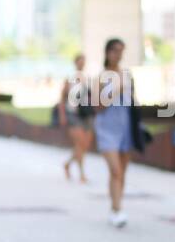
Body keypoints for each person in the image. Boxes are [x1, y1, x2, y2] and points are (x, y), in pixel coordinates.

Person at [93, 38, 134, 227]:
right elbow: (97, 106)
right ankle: (117, 210)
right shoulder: (101, 77)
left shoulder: (127, 75)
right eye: (116, 50)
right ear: (108, 52)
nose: (119, 55)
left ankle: (115, 206)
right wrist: (115, 90)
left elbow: (133, 103)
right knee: (115, 170)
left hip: (124, 129)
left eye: (121, 50)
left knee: (120, 173)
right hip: (106, 130)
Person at [56, 53, 92, 183]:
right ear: (75, 62)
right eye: (80, 61)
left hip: (86, 114)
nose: (82, 64)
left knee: (85, 145)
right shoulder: (70, 79)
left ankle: (68, 164)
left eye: (84, 61)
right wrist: (62, 115)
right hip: (73, 114)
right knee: (80, 143)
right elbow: (61, 98)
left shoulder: (87, 79)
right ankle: (82, 174)